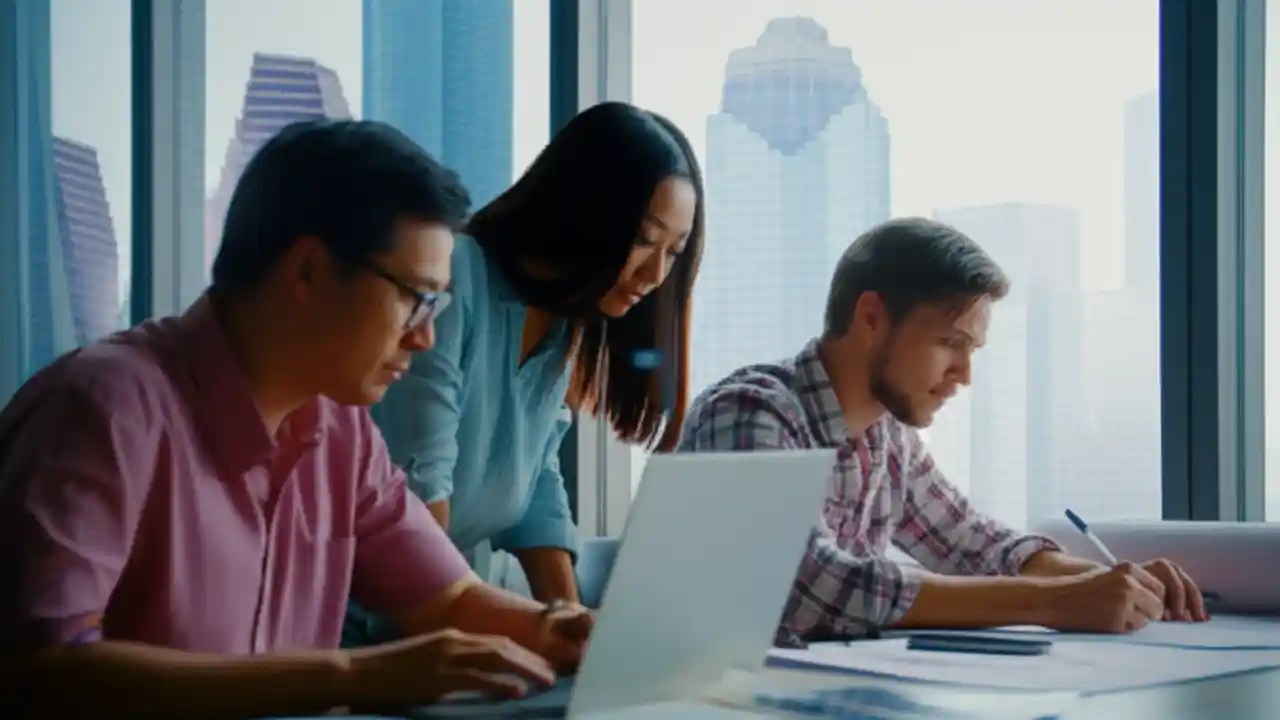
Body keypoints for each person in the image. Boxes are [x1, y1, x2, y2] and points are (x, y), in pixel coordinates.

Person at [0, 120, 593, 718]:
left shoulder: (342, 434)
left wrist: (556, 631)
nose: (426, 336)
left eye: (436, 303)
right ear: (307, 270)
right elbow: (47, 668)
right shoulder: (105, 408)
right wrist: (349, 676)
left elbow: (448, 598)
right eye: (415, 297)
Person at [679, 217, 1207, 645]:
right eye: (949, 343)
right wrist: (1053, 603)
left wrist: (1104, 582)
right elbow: (808, 585)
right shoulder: (750, 413)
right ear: (871, 319)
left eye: (971, 351)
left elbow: (974, 543)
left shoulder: (889, 441)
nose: (964, 375)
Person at [343, 102, 703, 646]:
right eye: (643, 240)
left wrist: (577, 625)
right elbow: (419, 506)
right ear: (585, 211)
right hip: (375, 631)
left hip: (455, 620)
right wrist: (537, 630)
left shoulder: (564, 323)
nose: (655, 274)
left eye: (673, 252)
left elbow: (535, 486)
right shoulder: (455, 278)